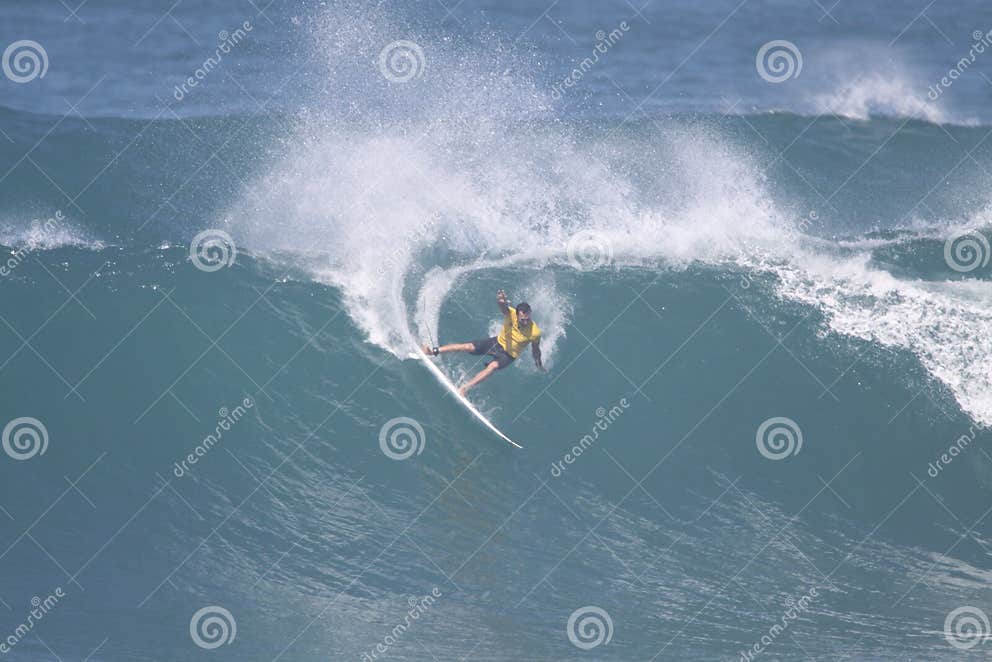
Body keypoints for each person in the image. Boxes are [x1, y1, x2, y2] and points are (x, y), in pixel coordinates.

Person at [424, 289, 545, 395]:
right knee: (468, 346)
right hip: (496, 342)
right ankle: (433, 351)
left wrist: (538, 363)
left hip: (508, 355)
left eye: (528, 318)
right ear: (517, 315)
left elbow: (535, 350)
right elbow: (503, 308)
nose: (526, 321)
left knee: (492, 367)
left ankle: (464, 388)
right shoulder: (512, 313)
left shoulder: (534, 332)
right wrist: (501, 301)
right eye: (523, 319)